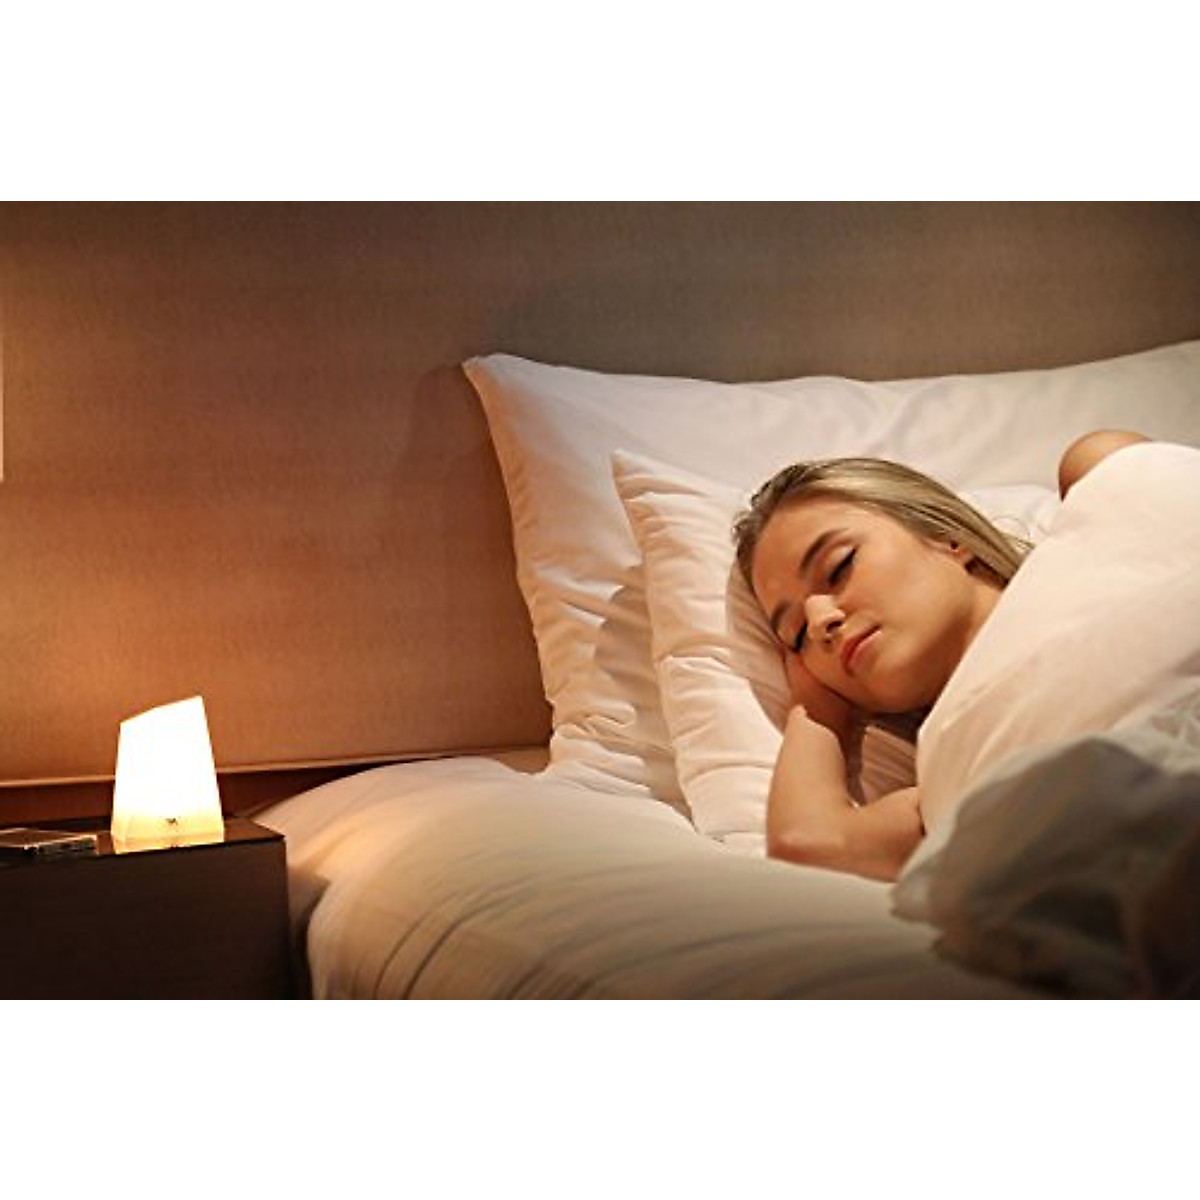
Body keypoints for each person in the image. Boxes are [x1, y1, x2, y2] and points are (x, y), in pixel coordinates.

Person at [732, 428, 1149, 882]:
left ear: (948, 536)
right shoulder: (963, 763)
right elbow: (809, 842)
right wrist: (816, 707)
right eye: (796, 635)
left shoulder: (1103, 510)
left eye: (839, 566)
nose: (819, 622)